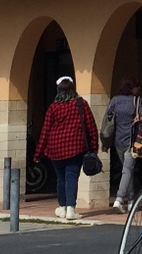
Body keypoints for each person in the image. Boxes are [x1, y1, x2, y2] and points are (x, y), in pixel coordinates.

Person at [32, 75, 99, 220]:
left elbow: (45, 131)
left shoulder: (53, 108)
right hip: (75, 147)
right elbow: (91, 127)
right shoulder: (81, 104)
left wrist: (38, 154)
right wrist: (94, 147)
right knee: (71, 177)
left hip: (55, 149)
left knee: (61, 178)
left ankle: (62, 207)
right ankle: (71, 209)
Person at [104, 79, 141, 209]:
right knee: (127, 171)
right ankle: (119, 199)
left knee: (127, 170)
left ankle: (131, 200)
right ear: (132, 89)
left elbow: (107, 118)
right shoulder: (136, 101)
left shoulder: (114, 100)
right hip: (132, 141)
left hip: (118, 141)